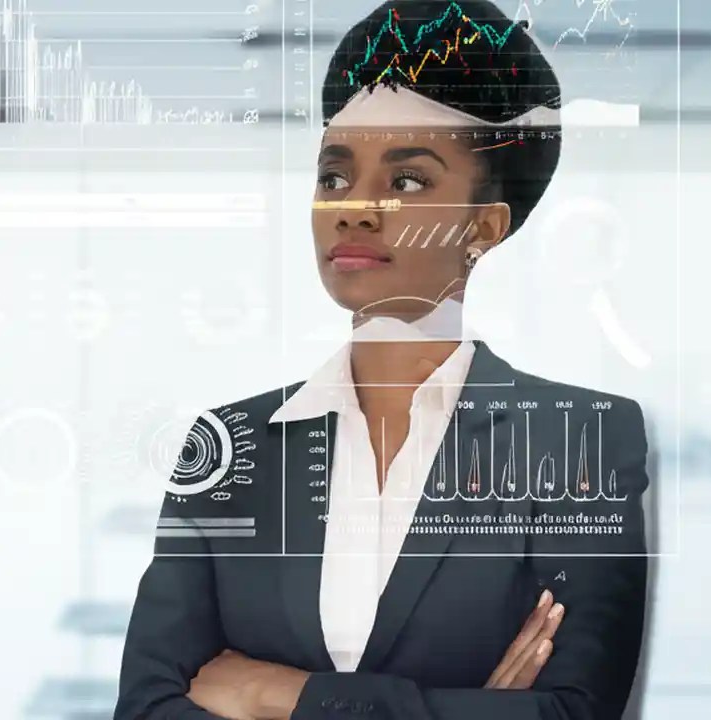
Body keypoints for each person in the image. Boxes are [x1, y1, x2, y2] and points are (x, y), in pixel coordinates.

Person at [114, 2, 651, 719]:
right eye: (334, 176)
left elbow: (572, 713)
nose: (353, 208)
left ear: (482, 227)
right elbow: (148, 708)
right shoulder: (229, 446)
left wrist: (275, 693)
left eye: (406, 182)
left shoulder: (577, 436)